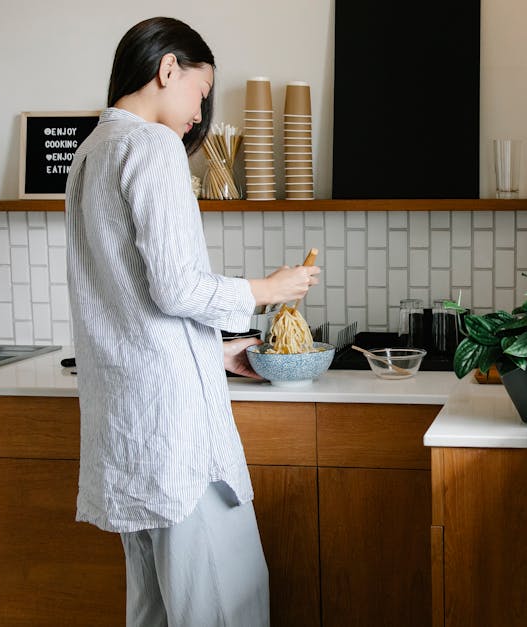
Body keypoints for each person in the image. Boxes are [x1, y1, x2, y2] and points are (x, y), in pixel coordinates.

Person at [64, 16, 320, 626]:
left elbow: (126, 300)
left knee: (155, 608)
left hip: (128, 423)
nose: (198, 114)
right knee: (224, 601)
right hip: (177, 434)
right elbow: (177, 287)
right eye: (200, 94)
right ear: (168, 67)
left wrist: (216, 352)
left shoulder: (91, 152)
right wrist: (269, 289)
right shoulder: (151, 146)